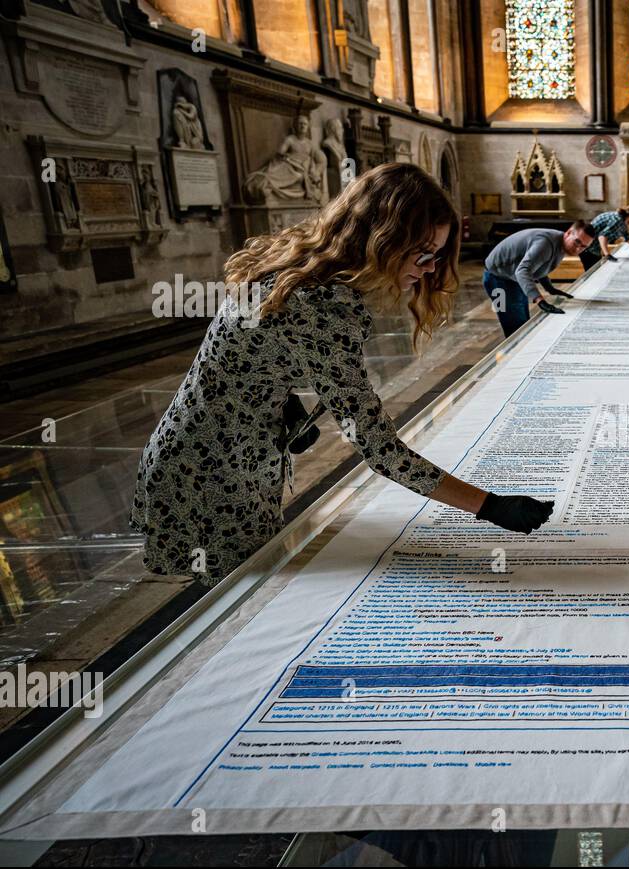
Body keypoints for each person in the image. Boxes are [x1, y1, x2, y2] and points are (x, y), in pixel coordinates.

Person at [131, 163, 554, 586]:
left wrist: (282, 400)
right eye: (422, 253)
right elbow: (379, 447)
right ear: (382, 237)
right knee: (232, 598)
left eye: (437, 256)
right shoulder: (321, 305)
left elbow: (247, 347)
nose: (429, 268)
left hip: (212, 451)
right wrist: (490, 506)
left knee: (242, 581)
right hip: (211, 474)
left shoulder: (304, 265)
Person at [482, 222, 595, 337]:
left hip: (512, 277)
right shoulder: (546, 243)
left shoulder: (560, 244)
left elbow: (539, 266)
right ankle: (516, 352)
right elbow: (523, 271)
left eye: (583, 247)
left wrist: (549, 288)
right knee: (515, 326)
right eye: (577, 241)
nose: (578, 248)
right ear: (568, 233)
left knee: (523, 322)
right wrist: (540, 300)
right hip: (497, 278)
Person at [580, 205, 629, 270]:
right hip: (588, 249)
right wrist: (607, 254)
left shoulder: (622, 221)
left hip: (591, 248)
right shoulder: (618, 221)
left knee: (595, 273)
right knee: (592, 275)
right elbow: (602, 236)